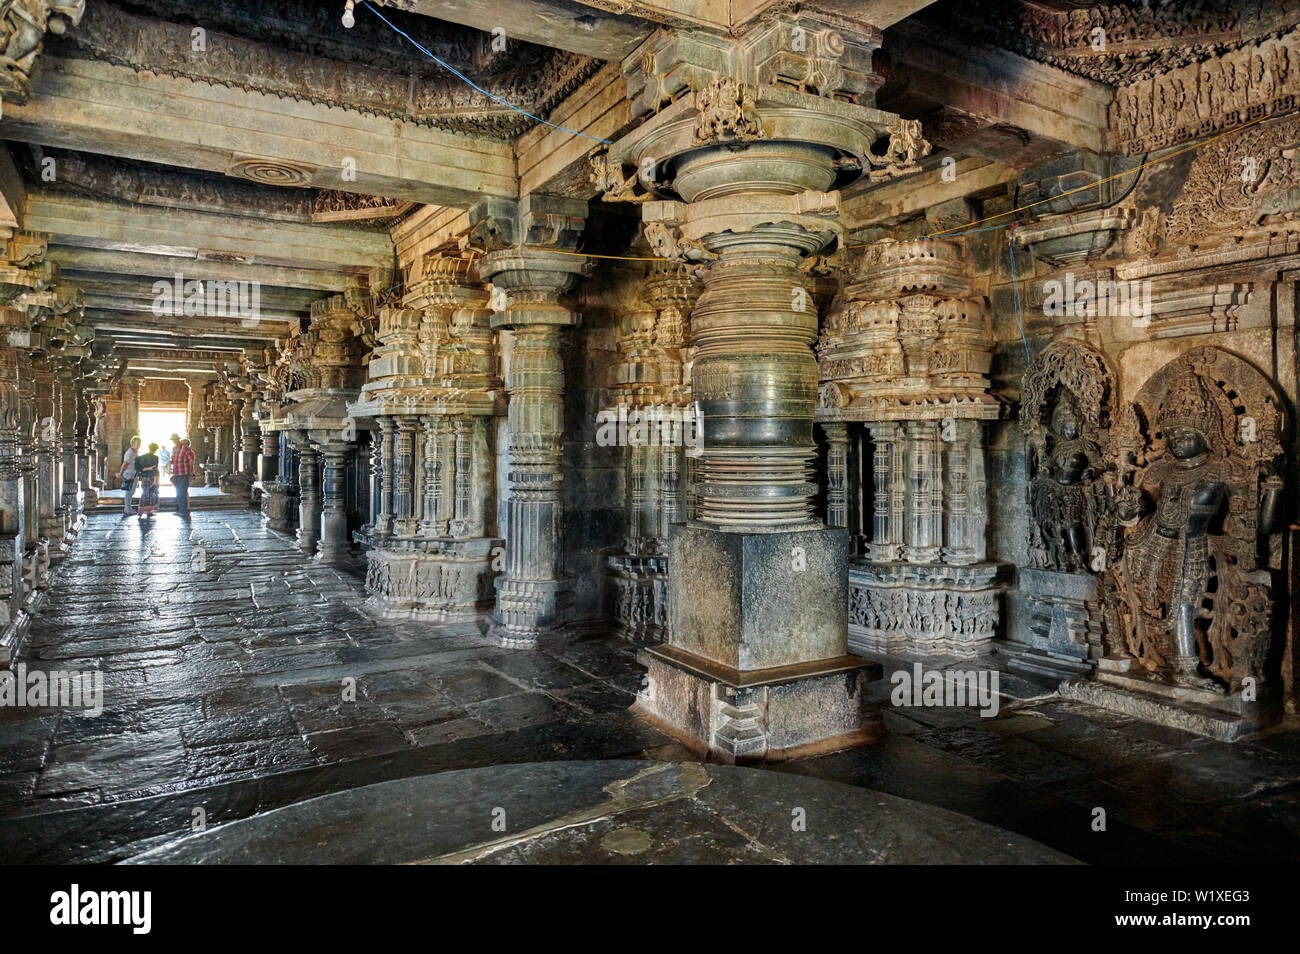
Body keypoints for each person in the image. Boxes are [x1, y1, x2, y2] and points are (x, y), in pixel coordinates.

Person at [135, 442, 162, 519]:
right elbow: (155, 469)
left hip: (144, 478)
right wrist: (156, 481)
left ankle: (141, 512)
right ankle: (148, 511)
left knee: (144, 494)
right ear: (155, 449)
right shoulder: (155, 458)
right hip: (152, 478)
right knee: (151, 495)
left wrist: (145, 469)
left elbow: (138, 469)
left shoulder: (141, 457)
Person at [117, 436, 141, 516]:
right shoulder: (130, 452)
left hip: (133, 474)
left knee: (131, 491)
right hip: (129, 474)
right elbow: (125, 463)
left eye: (140, 443)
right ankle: (127, 509)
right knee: (128, 492)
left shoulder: (134, 452)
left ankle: (128, 508)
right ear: (133, 443)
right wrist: (120, 473)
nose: (139, 445)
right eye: (138, 443)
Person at [171, 436, 195, 518]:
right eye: (172, 440)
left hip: (184, 473)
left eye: (174, 439)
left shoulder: (185, 448)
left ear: (178, 439)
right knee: (178, 493)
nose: (173, 441)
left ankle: (183, 511)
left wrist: (191, 472)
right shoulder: (174, 449)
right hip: (176, 473)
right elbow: (173, 461)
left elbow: (191, 460)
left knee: (182, 492)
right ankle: (181, 510)